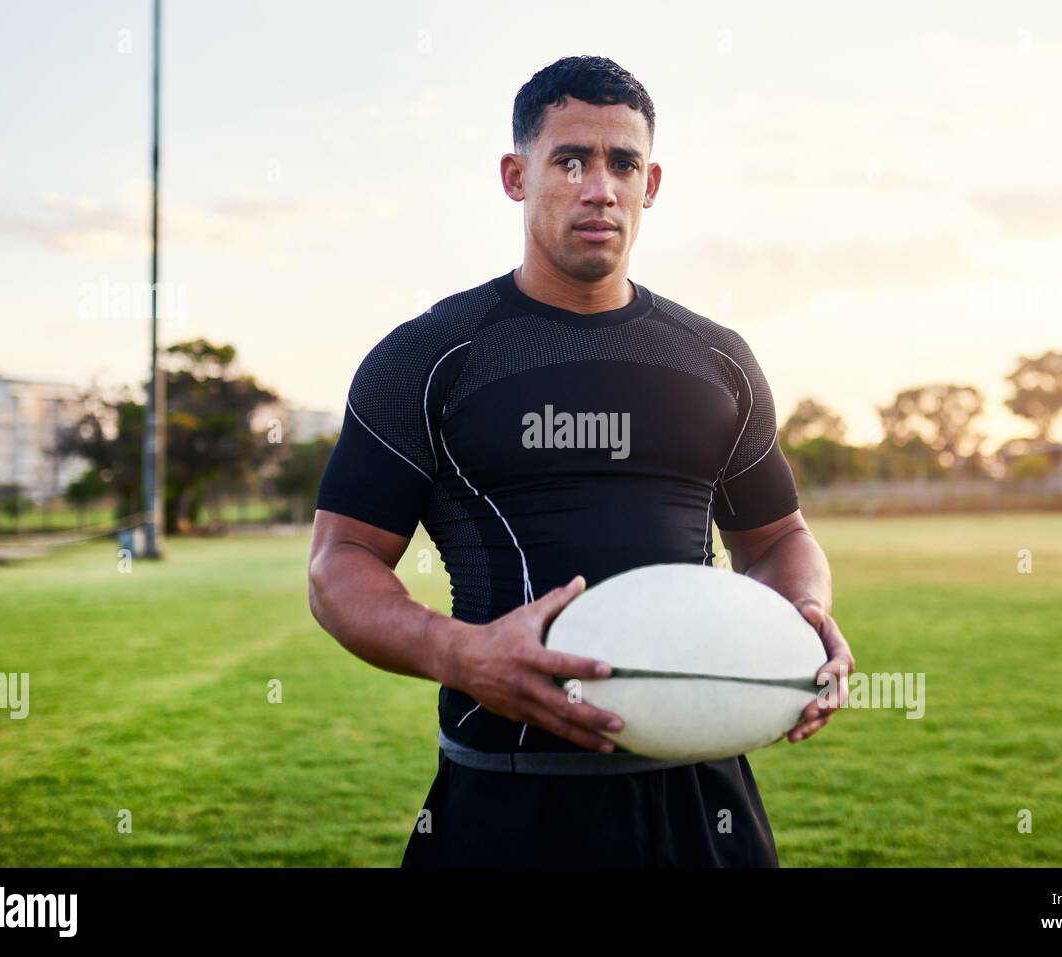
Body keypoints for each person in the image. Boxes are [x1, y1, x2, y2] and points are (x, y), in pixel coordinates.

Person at [308, 54, 854, 867]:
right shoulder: (427, 359)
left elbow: (776, 539)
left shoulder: (717, 359)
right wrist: (460, 652)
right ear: (515, 175)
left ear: (651, 184)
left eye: (622, 163)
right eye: (570, 159)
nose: (599, 186)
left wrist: (804, 617)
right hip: (508, 796)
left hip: (704, 799)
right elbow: (338, 563)